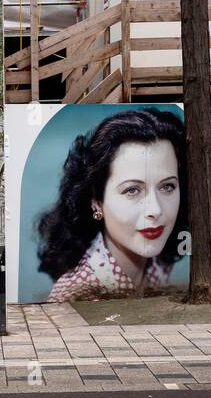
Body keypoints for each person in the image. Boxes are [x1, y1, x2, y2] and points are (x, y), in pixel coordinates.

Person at [37, 108, 187, 302]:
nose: (155, 210)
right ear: (97, 202)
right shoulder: (74, 295)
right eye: (132, 190)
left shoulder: (159, 262)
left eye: (167, 187)